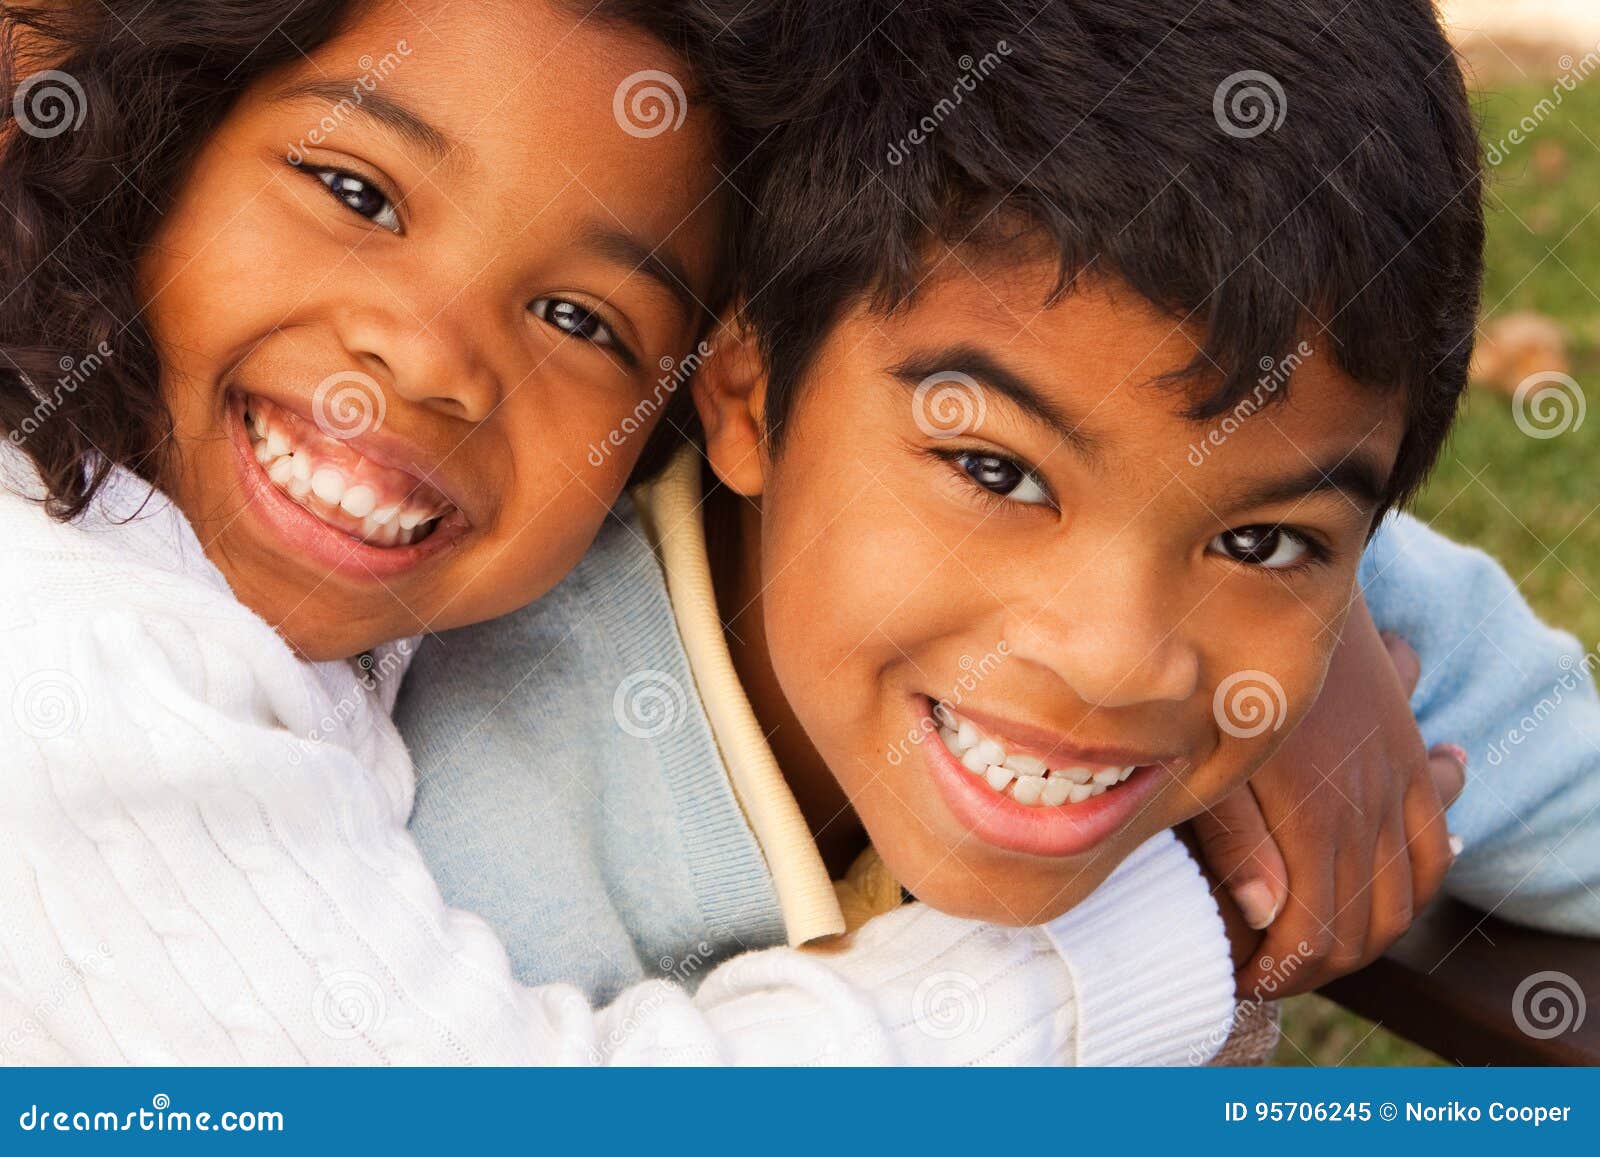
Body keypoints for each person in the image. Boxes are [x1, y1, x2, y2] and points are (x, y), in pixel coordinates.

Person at [0, 0, 1244, 1066]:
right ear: (155, 142)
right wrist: (1099, 956)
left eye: (579, 318)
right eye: (355, 191)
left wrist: (1266, 606)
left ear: (705, 391)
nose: (436, 360)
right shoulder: (88, 660)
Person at [399, 0, 1599, 1041]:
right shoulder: (476, 833)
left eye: (1258, 541)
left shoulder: (1358, 647)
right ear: (747, 393)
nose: (1115, 655)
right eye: (994, 470)